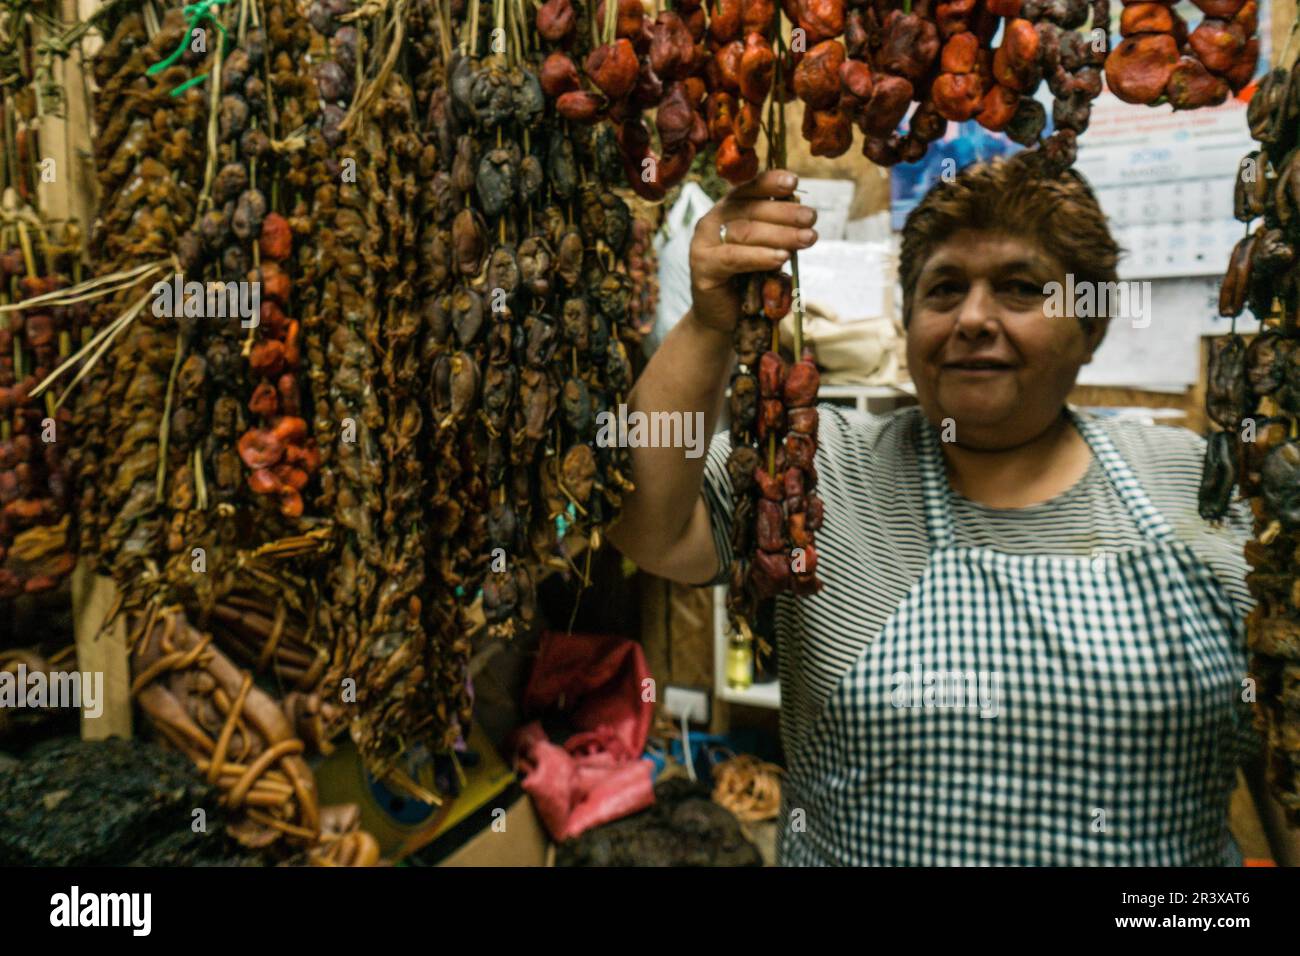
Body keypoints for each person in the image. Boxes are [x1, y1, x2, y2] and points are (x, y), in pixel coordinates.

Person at [607, 154, 1300, 866]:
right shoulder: (820, 471)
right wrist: (709, 322)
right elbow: (646, 525)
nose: (973, 318)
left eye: (1020, 289)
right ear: (908, 326)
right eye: (943, 290)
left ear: (1091, 327)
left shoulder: (1203, 487)